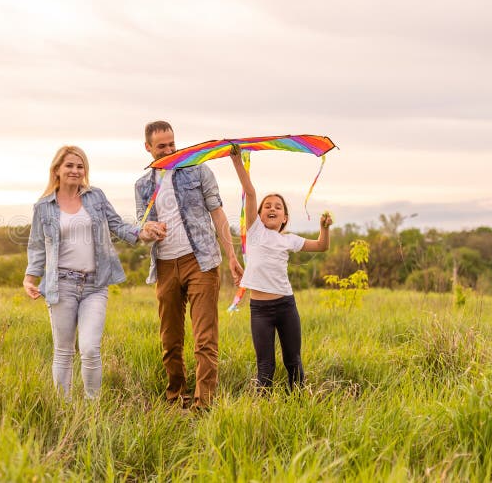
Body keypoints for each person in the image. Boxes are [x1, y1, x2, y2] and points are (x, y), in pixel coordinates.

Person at [24, 145, 163, 400]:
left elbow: (117, 225)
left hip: (95, 285)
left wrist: (142, 233)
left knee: (89, 349)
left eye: (80, 166)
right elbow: (36, 246)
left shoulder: (95, 197)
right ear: (57, 170)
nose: (75, 171)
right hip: (61, 285)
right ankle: (62, 409)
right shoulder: (43, 206)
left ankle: (92, 408)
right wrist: (30, 278)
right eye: (69, 166)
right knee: (63, 351)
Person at [135, 121, 244, 410]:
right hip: (166, 265)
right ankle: (176, 398)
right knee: (170, 340)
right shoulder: (143, 185)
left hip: (202, 261)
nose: (170, 150)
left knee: (205, 339)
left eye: (172, 143)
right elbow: (142, 229)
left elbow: (218, 215)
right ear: (148, 148)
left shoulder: (198, 171)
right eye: (162, 146)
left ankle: (203, 405)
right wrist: (148, 231)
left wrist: (232, 256)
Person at [229, 146, 332, 390]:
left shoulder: (289, 239)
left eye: (278, 206)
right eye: (268, 206)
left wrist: (324, 227)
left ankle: (297, 403)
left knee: (293, 361)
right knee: (265, 365)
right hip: (260, 310)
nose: (272, 208)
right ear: (259, 215)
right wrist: (237, 162)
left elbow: (321, 246)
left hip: (286, 306)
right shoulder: (254, 231)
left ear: (285, 217)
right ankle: (262, 410)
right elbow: (251, 192)